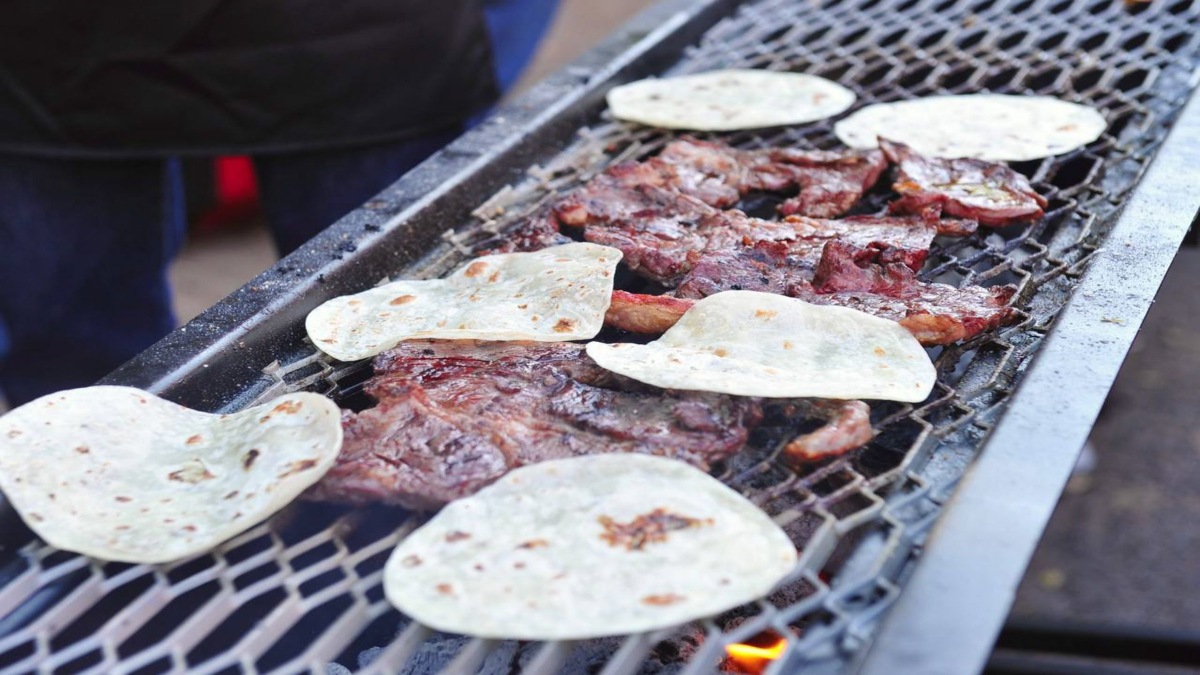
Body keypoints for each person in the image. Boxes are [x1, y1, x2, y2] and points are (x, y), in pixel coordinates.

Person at [0, 0, 559, 407]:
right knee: (76, 377)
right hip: (50, 50)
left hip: (363, 42)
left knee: (402, 349)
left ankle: (355, 541)